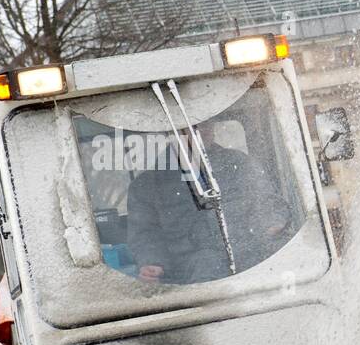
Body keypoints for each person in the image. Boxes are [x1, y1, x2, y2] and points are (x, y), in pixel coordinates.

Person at [126, 119, 297, 284]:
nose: (202, 130)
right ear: (172, 132)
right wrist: (153, 263)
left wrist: (271, 225)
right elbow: (146, 235)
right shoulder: (148, 185)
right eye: (191, 127)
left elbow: (267, 203)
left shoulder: (239, 163)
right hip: (189, 269)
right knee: (207, 265)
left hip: (249, 252)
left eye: (205, 123)